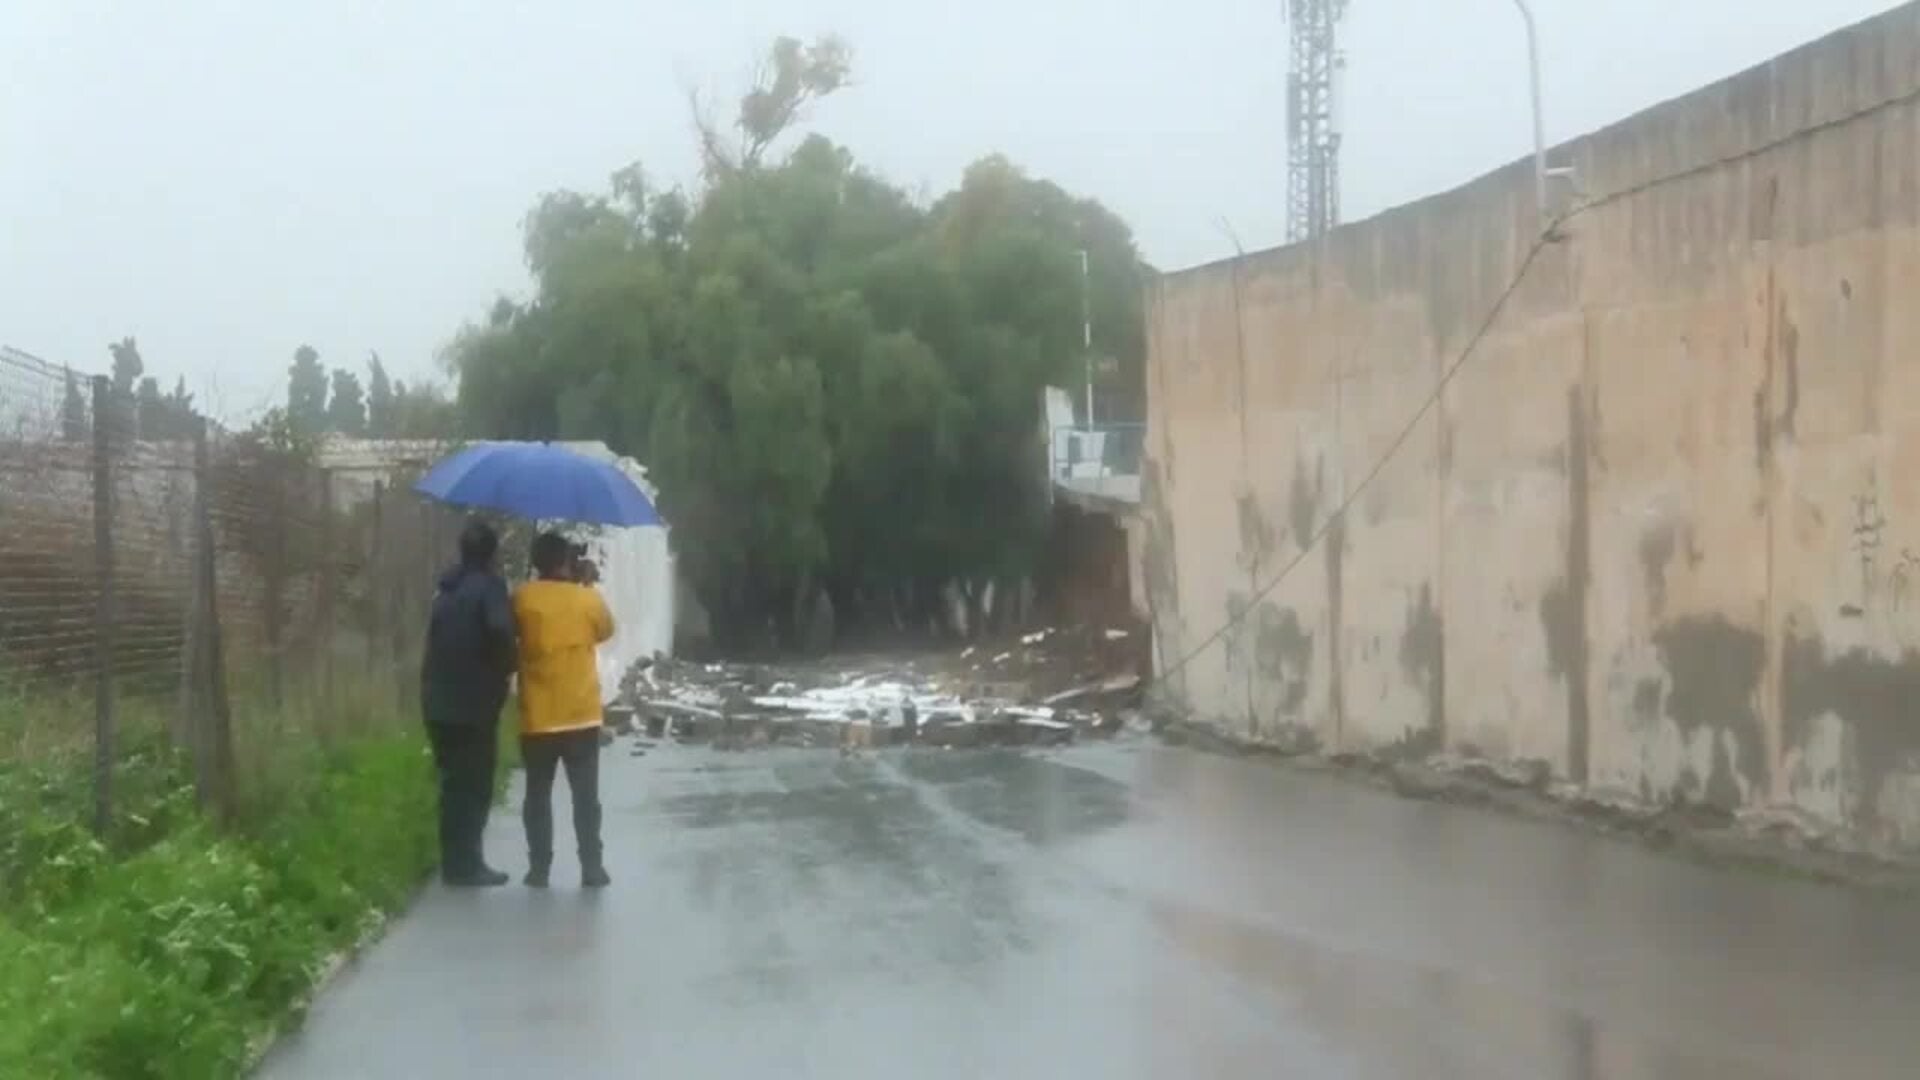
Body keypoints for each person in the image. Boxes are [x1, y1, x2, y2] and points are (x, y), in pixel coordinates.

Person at [513, 531, 616, 888]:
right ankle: (592, 866)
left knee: (537, 795)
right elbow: (605, 630)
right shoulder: (587, 599)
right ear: (566, 562)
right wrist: (584, 586)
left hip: (538, 716)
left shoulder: (523, 598)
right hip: (581, 714)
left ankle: (539, 868)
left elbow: (514, 632)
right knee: (586, 797)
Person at [420, 519, 517, 887]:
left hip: (435, 700)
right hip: (472, 705)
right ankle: (468, 865)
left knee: (451, 784)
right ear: (492, 554)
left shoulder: (446, 588)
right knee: (474, 785)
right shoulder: (490, 587)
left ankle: (453, 861)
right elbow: (498, 630)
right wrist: (509, 663)